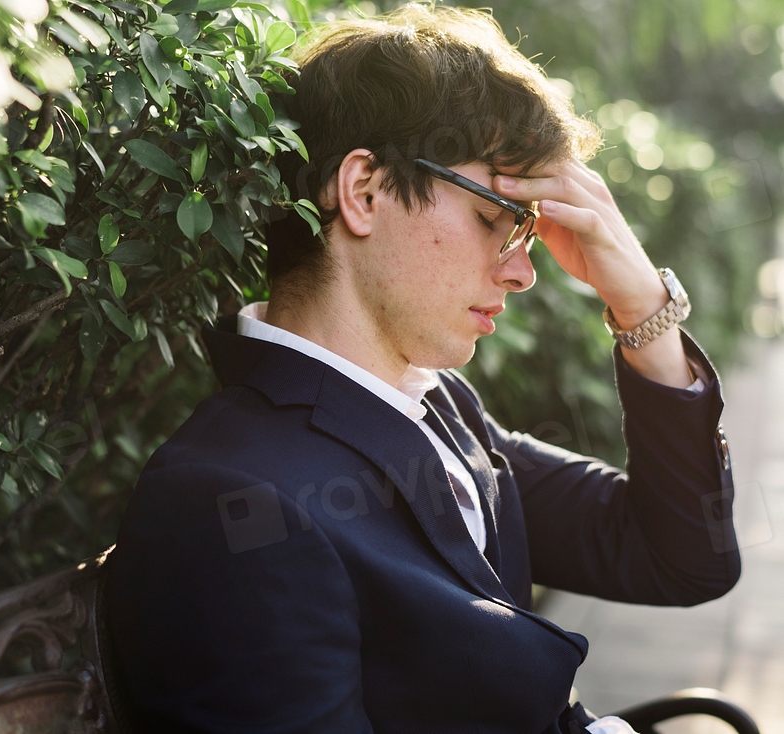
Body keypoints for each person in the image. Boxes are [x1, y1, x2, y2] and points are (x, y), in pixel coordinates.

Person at [103, 4, 740, 733]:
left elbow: (683, 557)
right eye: (495, 217)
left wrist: (645, 309)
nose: (523, 273)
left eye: (527, 231)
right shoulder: (230, 499)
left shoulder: (435, 406)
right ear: (364, 192)